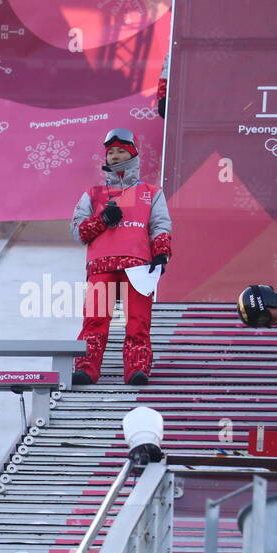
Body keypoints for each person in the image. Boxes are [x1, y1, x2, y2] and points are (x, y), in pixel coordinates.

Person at [70, 129, 172, 387]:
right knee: (94, 320)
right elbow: (78, 230)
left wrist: (161, 253)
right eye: (111, 152)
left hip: (138, 266)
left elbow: (160, 225)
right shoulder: (92, 194)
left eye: (121, 151)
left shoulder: (152, 192)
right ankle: (86, 368)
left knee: (138, 320)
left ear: (133, 154)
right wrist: (102, 220)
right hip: (102, 266)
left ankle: (137, 369)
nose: (115, 156)